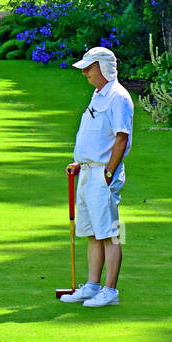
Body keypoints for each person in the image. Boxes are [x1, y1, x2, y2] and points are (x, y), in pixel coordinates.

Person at [60, 46, 133, 307]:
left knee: (110, 233)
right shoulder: (98, 94)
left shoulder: (118, 97)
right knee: (93, 232)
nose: (85, 73)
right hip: (88, 172)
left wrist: (109, 172)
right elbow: (95, 134)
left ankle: (110, 291)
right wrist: (80, 162)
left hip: (104, 174)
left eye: (89, 68)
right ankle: (92, 285)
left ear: (103, 67)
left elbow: (121, 137)